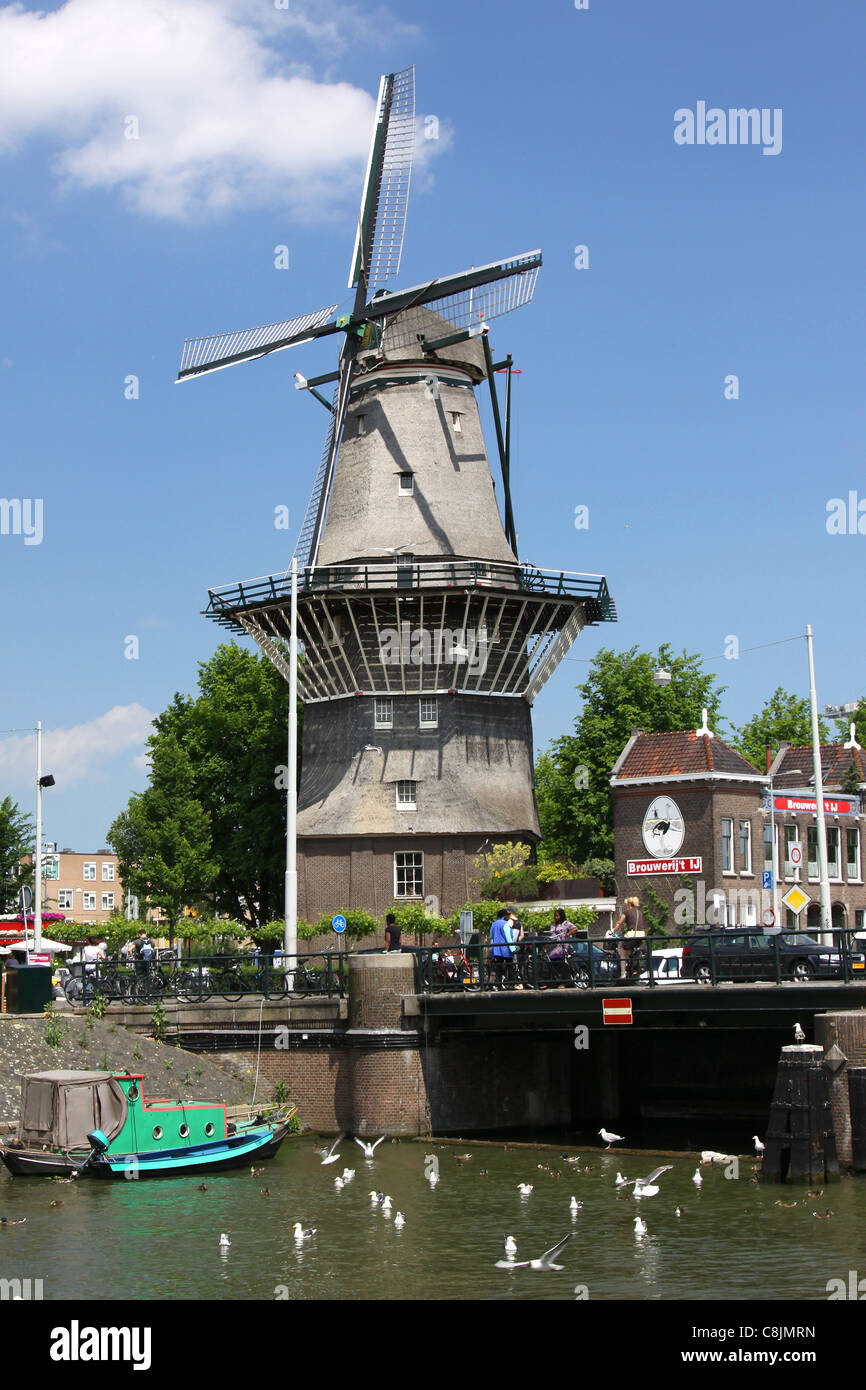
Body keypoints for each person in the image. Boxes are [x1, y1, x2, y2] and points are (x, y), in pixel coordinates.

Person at [610, 896, 644, 980]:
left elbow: (619, 923)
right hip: (641, 934)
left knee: (622, 952)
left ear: (629, 903)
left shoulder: (626, 912)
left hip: (632, 934)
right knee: (634, 950)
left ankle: (623, 974)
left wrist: (613, 931)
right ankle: (635, 967)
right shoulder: (639, 912)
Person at [547, 907, 580, 980]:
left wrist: (568, 934)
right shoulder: (552, 925)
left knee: (562, 965)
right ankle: (554, 981)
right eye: (555, 916)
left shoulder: (565, 923)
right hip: (552, 948)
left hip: (561, 947)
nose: (556, 917)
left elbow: (575, 928)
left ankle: (564, 982)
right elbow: (551, 935)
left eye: (557, 916)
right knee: (553, 965)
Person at [488, 911, 513, 988]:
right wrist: (513, 948)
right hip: (506, 949)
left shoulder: (493, 924)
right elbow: (508, 937)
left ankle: (499, 984)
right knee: (510, 966)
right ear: (504, 916)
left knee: (499, 967)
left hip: (497, 950)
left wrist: (491, 948)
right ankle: (511, 983)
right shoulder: (505, 924)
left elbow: (491, 936)